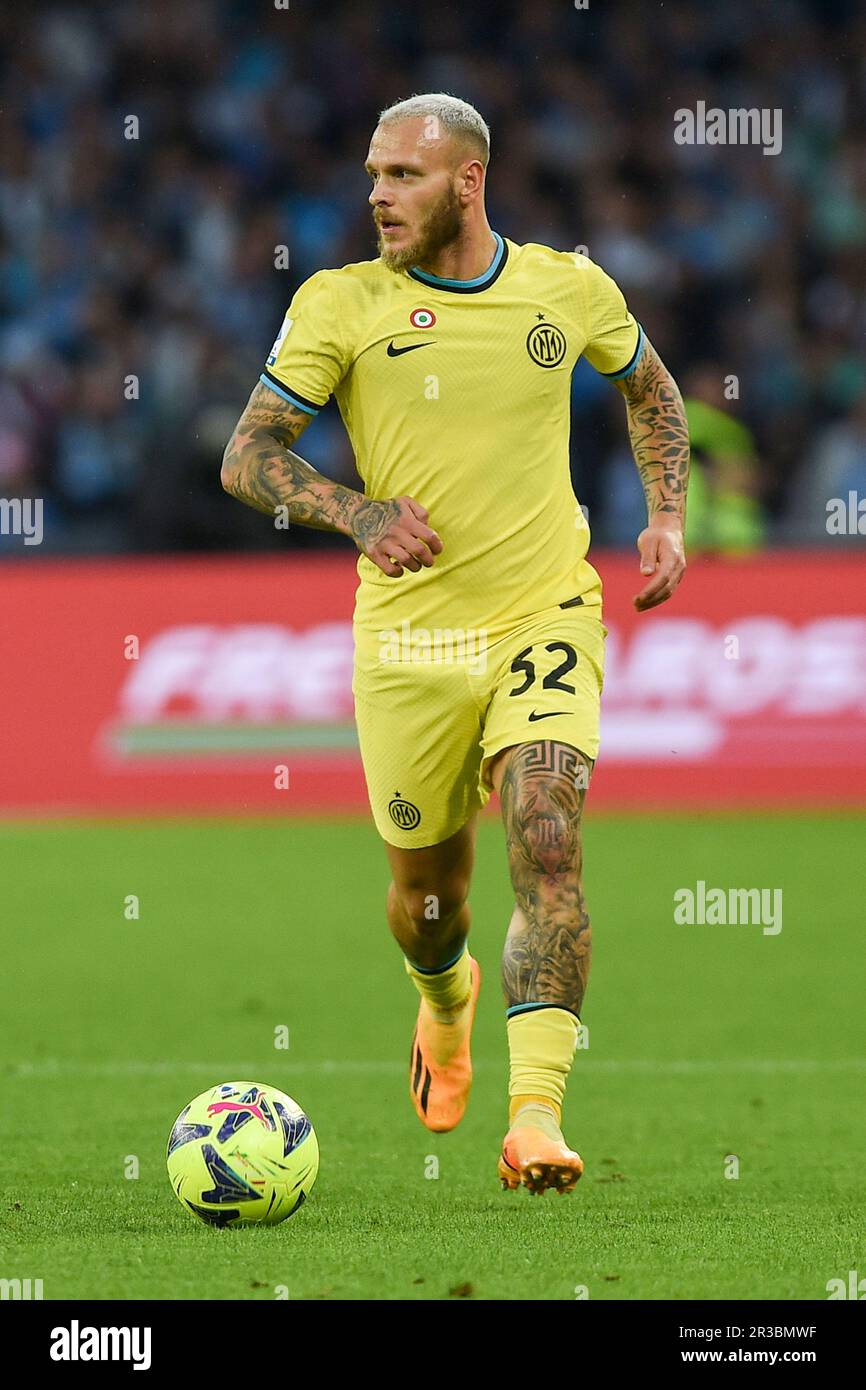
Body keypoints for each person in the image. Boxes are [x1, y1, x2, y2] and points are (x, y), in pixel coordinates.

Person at [221, 93, 689, 1194]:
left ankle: (535, 1119)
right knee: (430, 900)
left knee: (547, 835)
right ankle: (444, 999)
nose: (377, 196)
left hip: (544, 611)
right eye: (374, 175)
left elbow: (650, 390)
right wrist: (358, 512)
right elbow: (247, 456)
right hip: (410, 644)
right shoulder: (339, 303)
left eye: (403, 177)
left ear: (467, 181)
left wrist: (665, 512)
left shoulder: (564, 288)